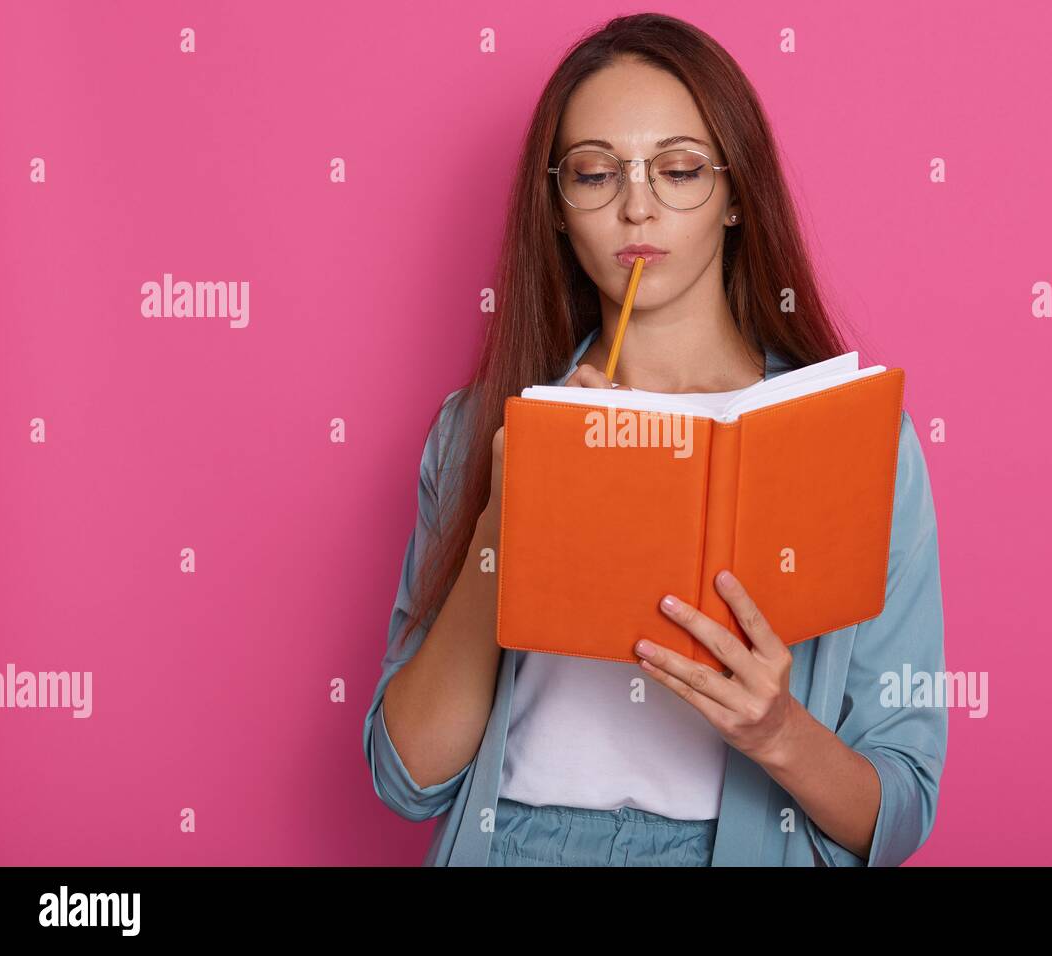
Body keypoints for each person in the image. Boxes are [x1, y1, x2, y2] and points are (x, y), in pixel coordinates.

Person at [362, 12, 947, 866]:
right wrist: (503, 522)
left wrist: (778, 730)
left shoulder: (860, 440)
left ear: (737, 194)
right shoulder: (478, 431)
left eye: (678, 170)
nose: (637, 206)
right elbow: (406, 776)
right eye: (596, 174)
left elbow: (899, 809)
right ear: (557, 209)